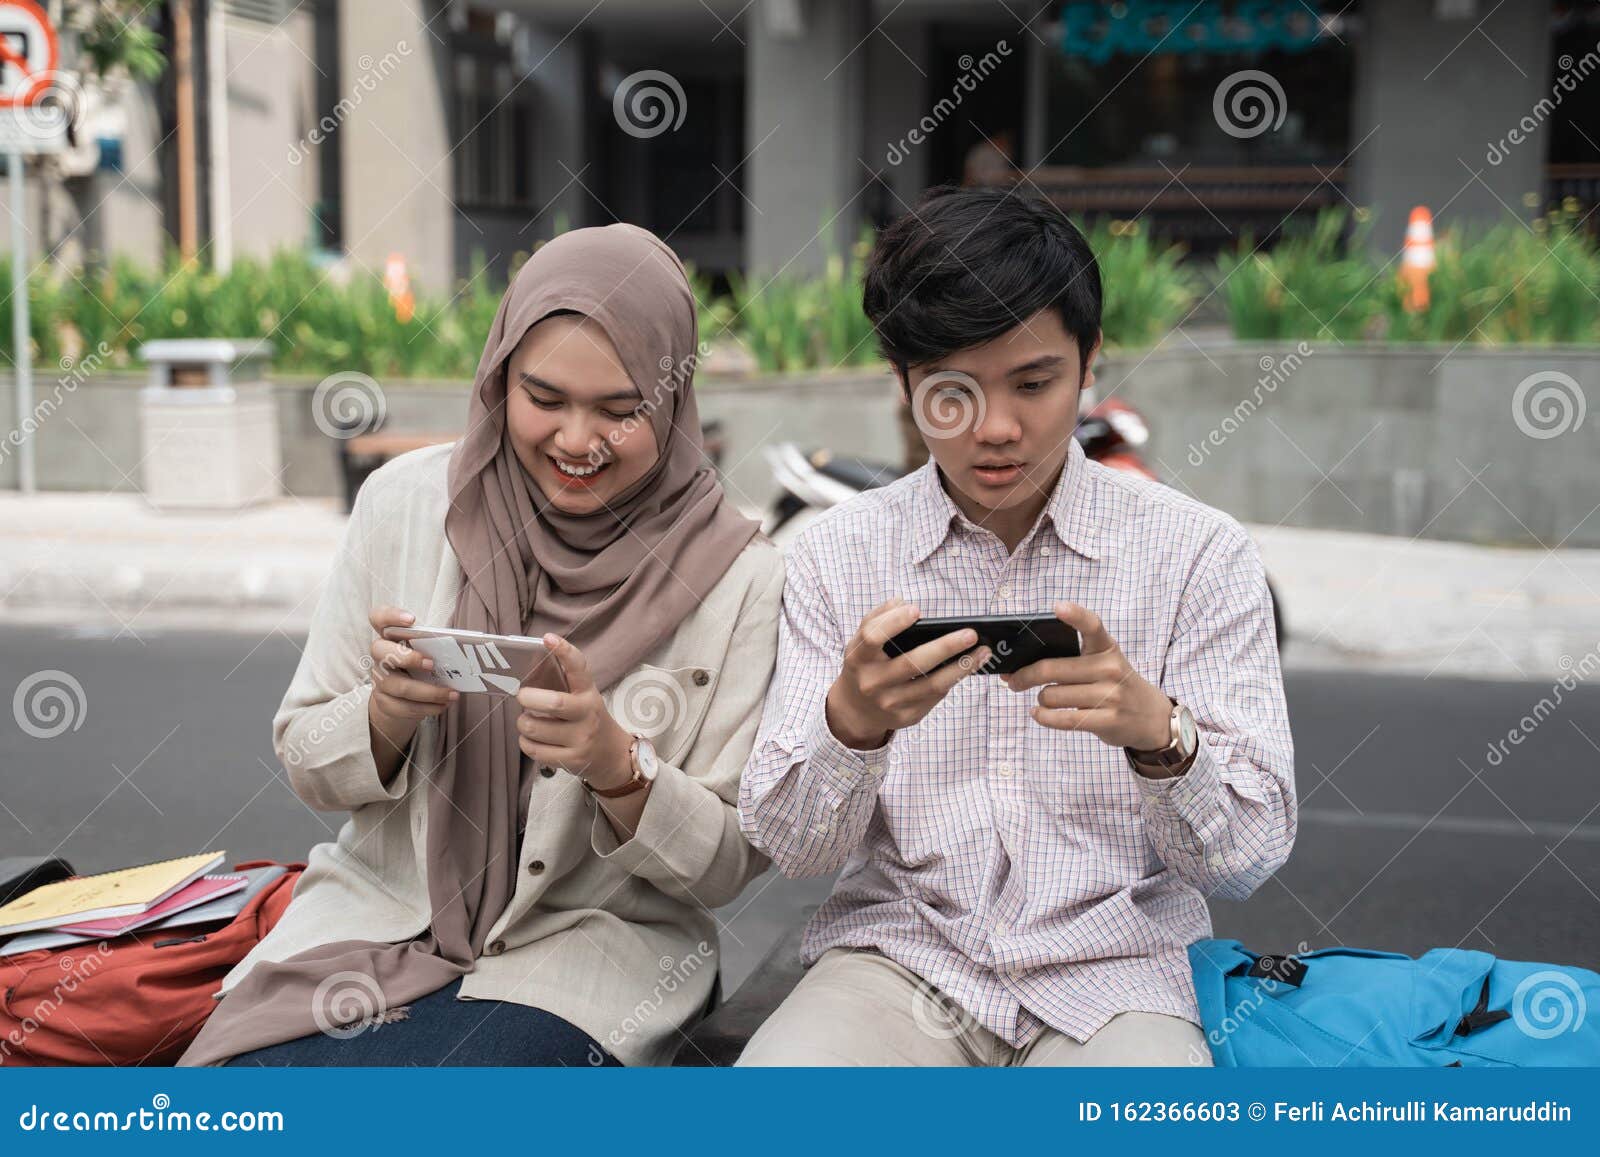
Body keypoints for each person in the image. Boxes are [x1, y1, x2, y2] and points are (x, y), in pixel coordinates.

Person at [179, 224, 782, 1067]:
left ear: (676, 400)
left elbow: (725, 863)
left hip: (586, 958)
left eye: (622, 409)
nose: (578, 441)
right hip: (375, 921)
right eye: (544, 398)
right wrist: (383, 714)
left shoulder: (741, 577)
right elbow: (307, 755)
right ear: (500, 378)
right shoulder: (406, 505)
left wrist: (619, 765)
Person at [737, 186, 1296, 1067]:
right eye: (951, 392)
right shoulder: (836, 554)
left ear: (1090, 362)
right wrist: (852, 723)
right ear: (902, 383)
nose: (995, 429)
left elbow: (1244, 859)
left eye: (1034, 383)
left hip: (1119, 975)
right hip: (900, 963)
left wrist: (1159, 734)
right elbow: (792, 849)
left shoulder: (1199, 555)